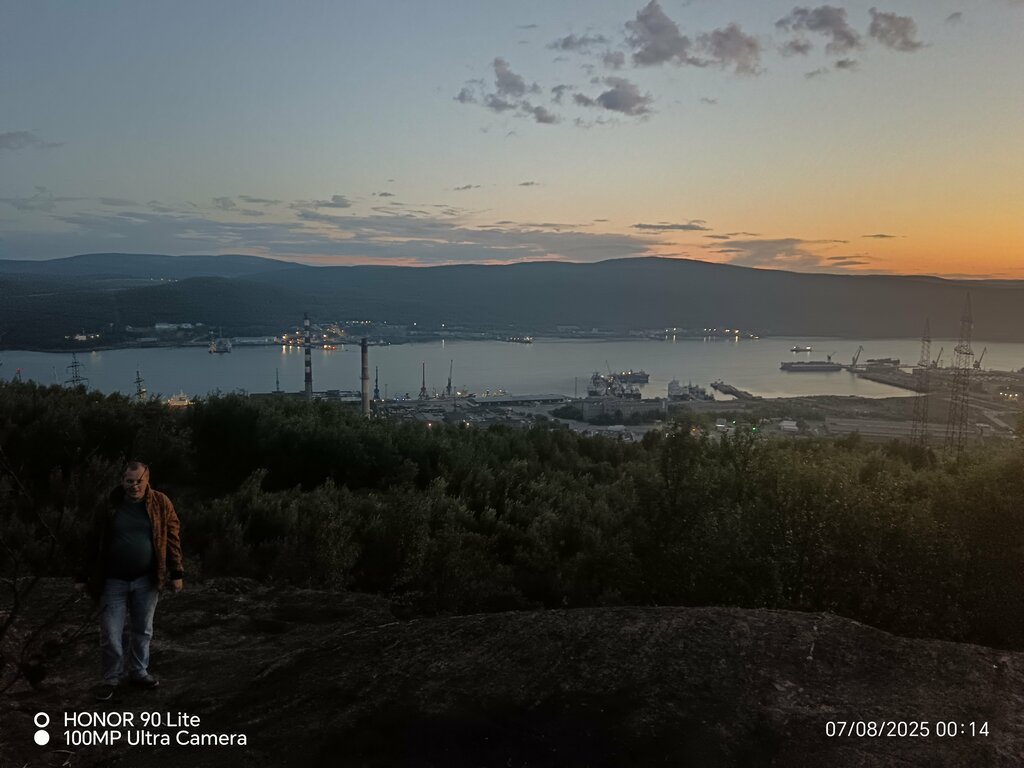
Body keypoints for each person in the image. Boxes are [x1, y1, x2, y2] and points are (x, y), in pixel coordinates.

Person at [77, 461, 184, 700]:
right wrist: (82, 574)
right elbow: (92, 539)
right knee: (110, 633)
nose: (134, 486)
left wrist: (176, 572)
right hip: (112, 580)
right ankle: (111, 678)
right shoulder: (108, 504)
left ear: (147, 480)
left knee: (142, 630)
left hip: (147, 580)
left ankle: (138, 671)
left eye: (139, 481)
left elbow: (172, 536)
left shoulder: (161, 503)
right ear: (121, 481)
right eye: (129, 481)